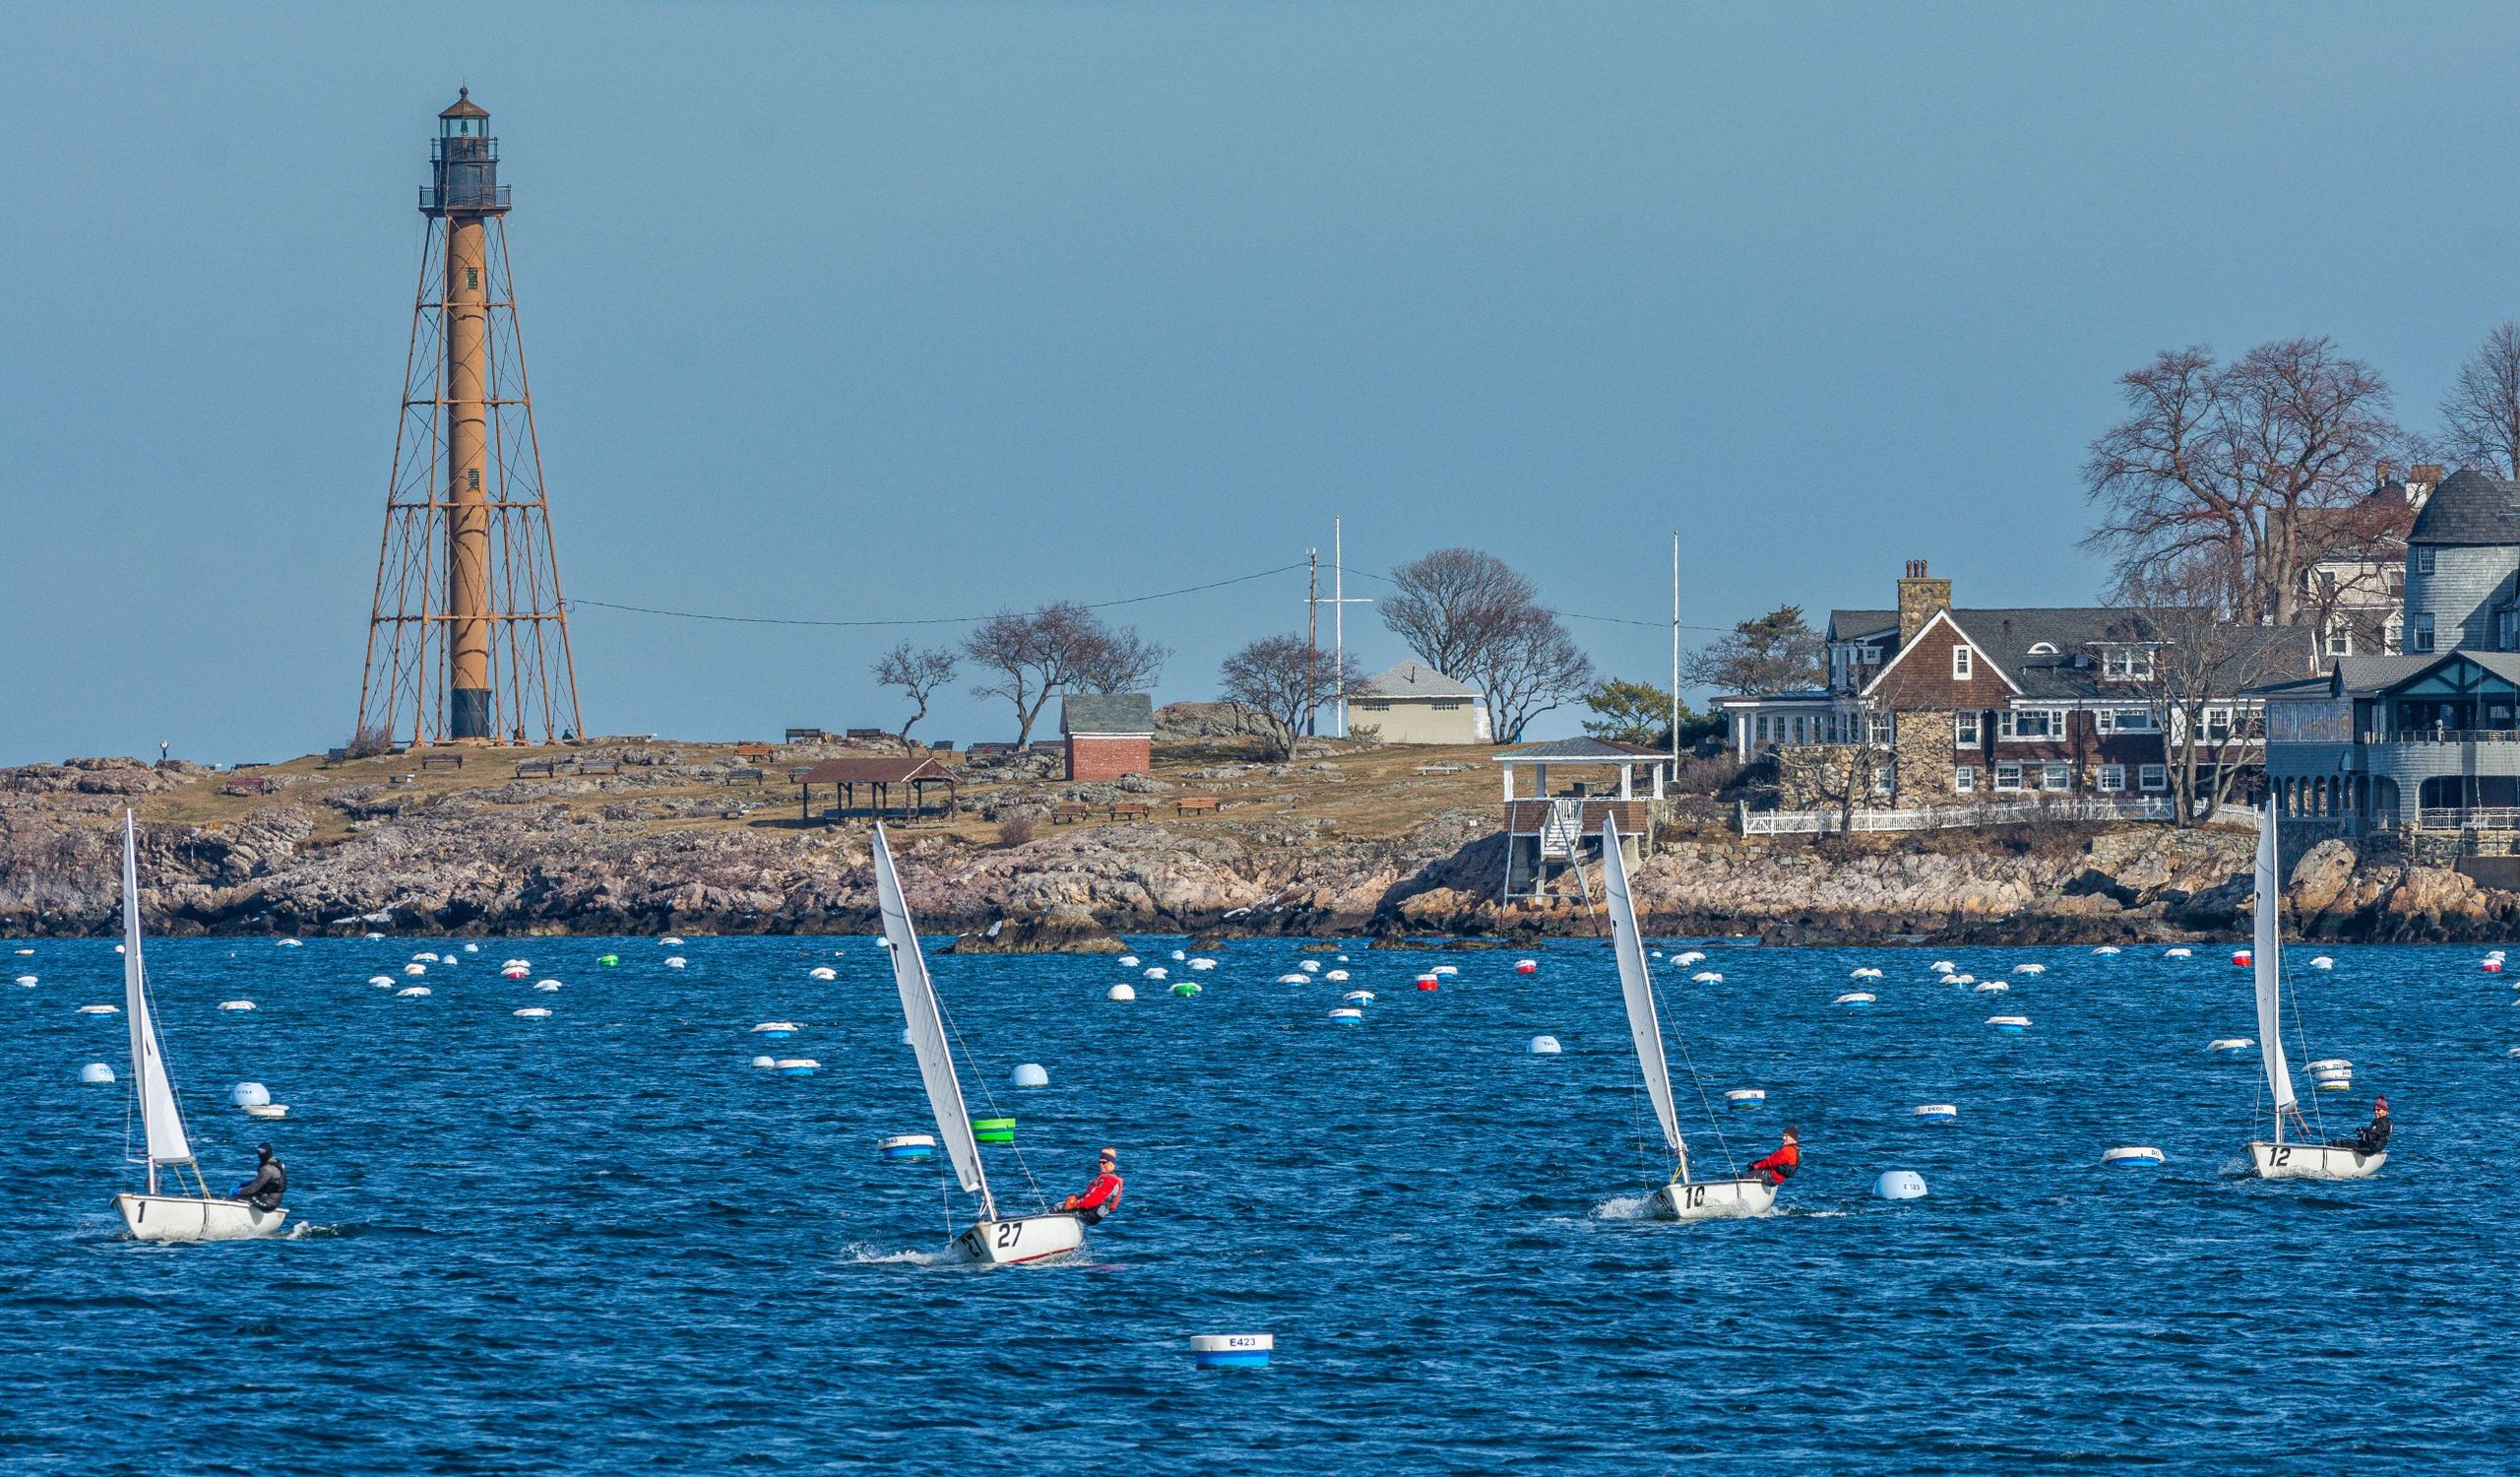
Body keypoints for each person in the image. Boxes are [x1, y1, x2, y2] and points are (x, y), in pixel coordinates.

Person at [1058, 1147, 1123, 1225]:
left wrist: (1075, 1204)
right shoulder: (1107, 1178)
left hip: (1093, 1213)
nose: (1100, 1165)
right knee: (1062, 1205)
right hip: (1093, 1212)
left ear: (1110, 1164)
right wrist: (1077, 1197)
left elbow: (1094, 1199)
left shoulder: (1109, 1180)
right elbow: (1090, 1194)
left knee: (1058, 1208)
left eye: (1103, 1162)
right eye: (1099, 1162)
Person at [233, 1143, 286, 1214]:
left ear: (268, 1152)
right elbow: (266, 1181)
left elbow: (252, 1189)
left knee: (237, 1197)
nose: (260, 1154)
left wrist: (238, 1191)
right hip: (273, 1200)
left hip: (268, 1203)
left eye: (262, 1152)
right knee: (245, 1192)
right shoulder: (276, 1163)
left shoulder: (267, 1169)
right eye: (258, 1151)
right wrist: (245, 1184)